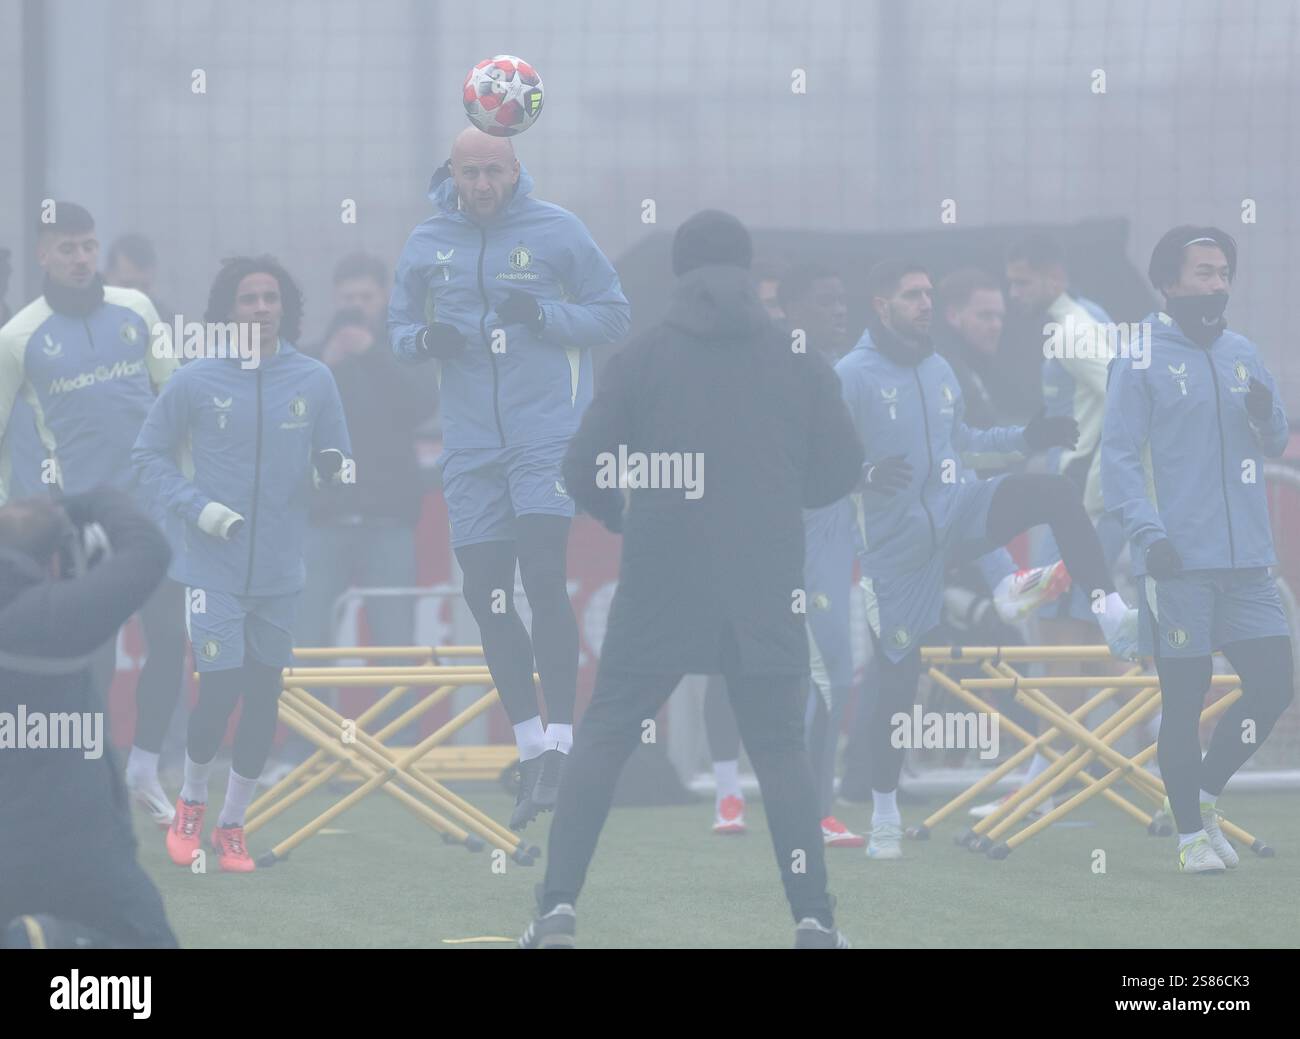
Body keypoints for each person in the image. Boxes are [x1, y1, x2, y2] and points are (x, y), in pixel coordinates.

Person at [519, 210, 864, 949]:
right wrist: (774, 498)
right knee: (780, 752)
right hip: (765, 579)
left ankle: (556, 910)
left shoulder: (642, 358)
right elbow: (842, 467)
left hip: (661, 576)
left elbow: (582, 467)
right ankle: (813, 920)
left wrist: (624, 517)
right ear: (749, 269)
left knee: (605, 737)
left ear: (680, 274)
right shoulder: (799, 359)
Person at [837, 259, 1138, 859]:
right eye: (912, 293)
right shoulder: (850, 377)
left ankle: (1108, 610)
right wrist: (864, 472)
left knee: (1053, 492)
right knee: (898, 684)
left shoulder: (939, 369)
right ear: (881, 303)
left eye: (928, 291)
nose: (924, 302)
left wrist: (1029, 439)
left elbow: (970, 444)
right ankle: (885, 814)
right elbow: (815, 462)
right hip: (899, 556)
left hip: (959, 516)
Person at [389, 127, 630, 831]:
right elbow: (398, 327)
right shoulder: (427, 241)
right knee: (486, 593)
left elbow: (613, 313)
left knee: (543, 577)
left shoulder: (557, 230)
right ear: (453, 175)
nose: (483, 183)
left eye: (494, 170)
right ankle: (528, 748)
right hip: (469, 446)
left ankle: (561, 743)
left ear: (516, 168)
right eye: (471, 172)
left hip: (544, 438)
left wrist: (546, 315)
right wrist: (424, 341)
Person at [133, 255, 352, 873]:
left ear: (285, 309)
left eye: (270, 298)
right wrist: (200, 511)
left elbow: (339, 458)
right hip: (209, 568)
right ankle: (192, 803)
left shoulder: (314, 379)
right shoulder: (195, 380)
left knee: (263, 695)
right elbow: (147, 456)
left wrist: (333, 470)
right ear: (227, 310)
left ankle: (234, 823)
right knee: (220, 686)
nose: (260, 308)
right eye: (249, 298)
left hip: (281, 573)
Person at [1103, 226, 1294, 874]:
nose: (1218, 284)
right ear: (1169, 282)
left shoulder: (1243, 351)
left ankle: (1204, 794)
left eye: (1223, 273)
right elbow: (1121, 455)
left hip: (1247, 565)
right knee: (1185, 699)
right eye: (1204, 272)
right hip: (1177, 560)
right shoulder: (1136, 355)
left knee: (1273, 686)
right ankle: (1189, 838)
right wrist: (1147, 535)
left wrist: (1271, 416)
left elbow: (1274, 438)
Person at [0, 202, 187, 826]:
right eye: (67, 248)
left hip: (152, 512)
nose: (81, 258)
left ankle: (144, 767)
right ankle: (93, 776)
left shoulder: (138, 311)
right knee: (93, 660)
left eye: (88, 246)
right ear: (43, 255)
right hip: (80, 520)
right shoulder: (19, 337)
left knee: (169, 640)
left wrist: (191, 487)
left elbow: (175, 399)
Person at [1, 488, 178, 948]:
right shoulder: (64, 616)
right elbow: (149, 549)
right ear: (58, 560)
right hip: (81, 850)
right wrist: (92, 500)